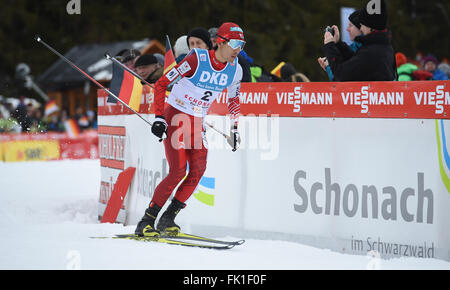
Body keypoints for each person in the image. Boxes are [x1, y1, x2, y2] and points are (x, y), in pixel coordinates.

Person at [135, 22, 245, 237]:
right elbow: (161, 84)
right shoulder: (197, 59)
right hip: (176, 116)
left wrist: (234, 128)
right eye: (234, 43)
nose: (238, 49)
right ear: (220, 42)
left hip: (196, 123)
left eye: (242, 44)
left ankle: (168, 219)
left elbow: (234, 100)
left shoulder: (235, 69)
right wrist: (159, 118)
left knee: (197, 171)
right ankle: (146, 221)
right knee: (178, 171)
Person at [322, 0, 396, 81]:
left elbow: (341, 76)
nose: (361, 28)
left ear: (370, 27)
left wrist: (329, 47)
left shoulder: (371, 52)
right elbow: (357, 62)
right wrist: (338, 44)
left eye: (362, 25)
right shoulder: (384, 48)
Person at [318, 8, 363, 81]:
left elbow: (341, 80)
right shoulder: (356, 47)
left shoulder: (366, 50)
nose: (347, 29)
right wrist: (337, 43)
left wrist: (329, 67)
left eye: (351, 25)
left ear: (360, 28)